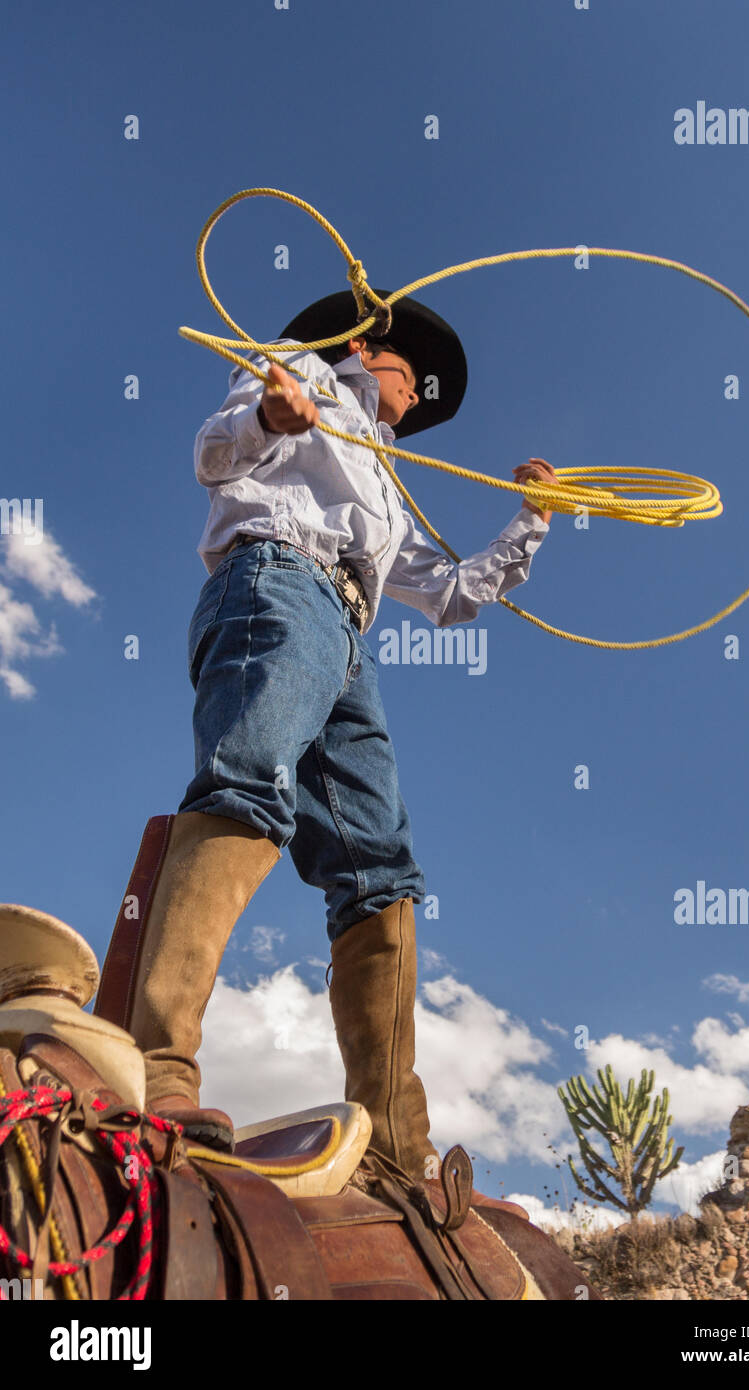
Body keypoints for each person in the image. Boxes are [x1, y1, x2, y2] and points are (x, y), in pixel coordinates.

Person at [103, 286, 556, 1195]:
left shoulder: (384, 479)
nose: (421, 397)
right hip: (274, 579)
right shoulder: (298, 369)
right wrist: (275, 414)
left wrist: (531, 522)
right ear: (370, 351)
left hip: (347, 631)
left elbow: (451, 594)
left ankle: (395, 1138)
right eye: (418, 377)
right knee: (248, 778)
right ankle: (158, 1069)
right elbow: (215, 455)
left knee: (380, 865)